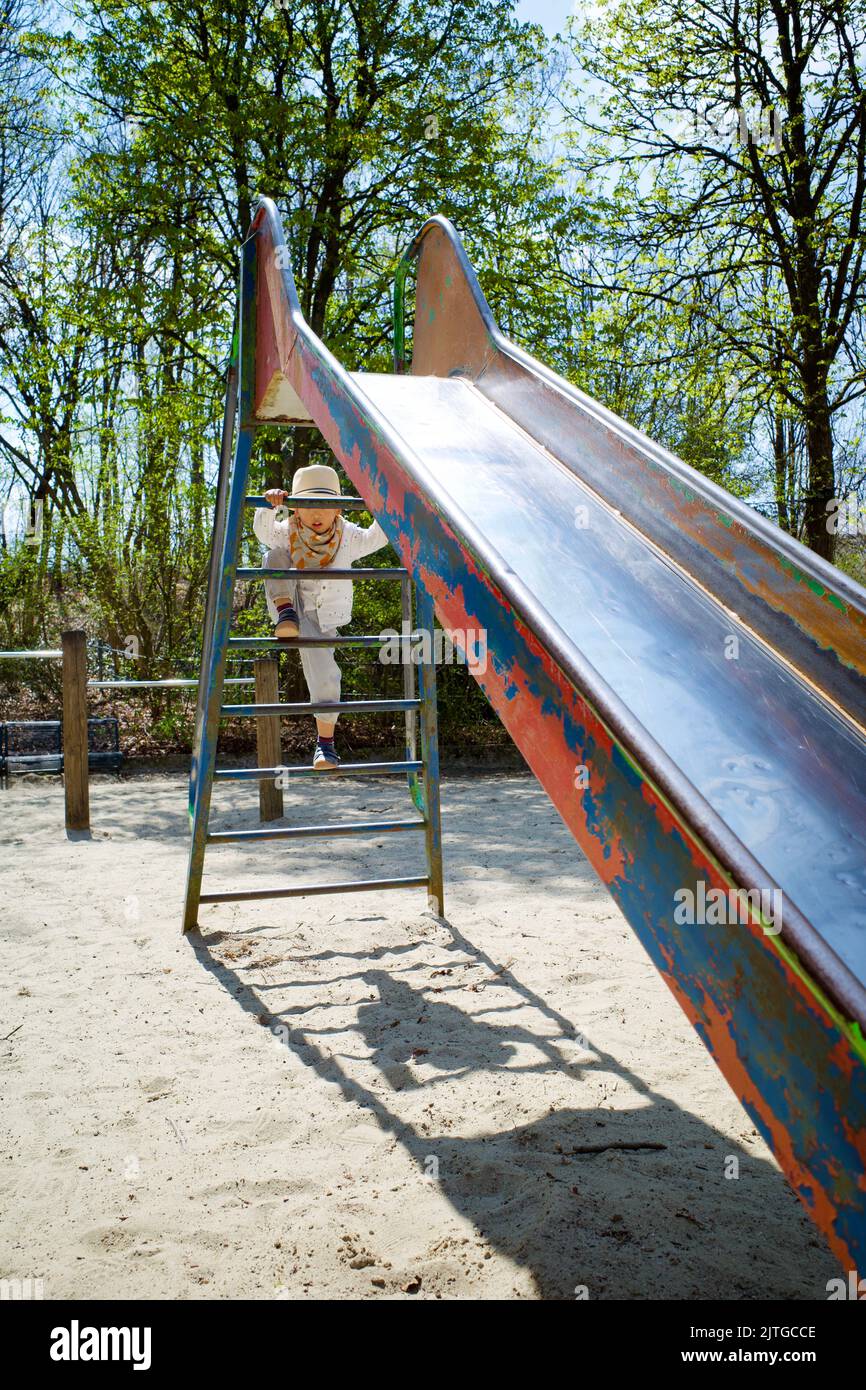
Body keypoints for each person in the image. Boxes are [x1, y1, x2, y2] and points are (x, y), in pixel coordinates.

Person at [253, 462, 388, 769]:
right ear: (296, 510)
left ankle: (325, 744)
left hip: (323, 616)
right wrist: (270, 506)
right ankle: (286, 616)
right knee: (273, 556)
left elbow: (377, 538)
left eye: (325, 507)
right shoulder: (288, 530)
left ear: (338, 510)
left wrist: (383, 505)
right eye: (308, 506)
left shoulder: (347, 536)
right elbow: (263, 532)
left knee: (325, 674)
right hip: (290, 604)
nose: (317, 515)